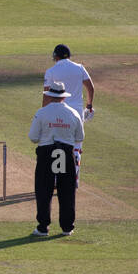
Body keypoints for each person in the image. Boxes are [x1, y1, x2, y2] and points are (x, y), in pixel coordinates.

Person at [28, 80, 84, 236]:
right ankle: (67, 227)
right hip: (66, 153)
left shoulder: (42, 112)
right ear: (63, 97)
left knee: (43, 190)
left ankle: (43, 227)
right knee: (67, 191)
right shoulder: (73, 113)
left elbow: (33, 137)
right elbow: (80, 137)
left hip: (46, 153)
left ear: (50, 96)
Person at [43, 43, 94, 184]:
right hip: (77, 114)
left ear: (55, 56)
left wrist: (44, 113)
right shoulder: (79, 68)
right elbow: (91, 88)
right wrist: (89, 106)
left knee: (56, 145)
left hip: (58, 112)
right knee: (76, 148)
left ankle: (55, 180)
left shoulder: (51, 71)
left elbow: (46, 95)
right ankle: (74, 180)